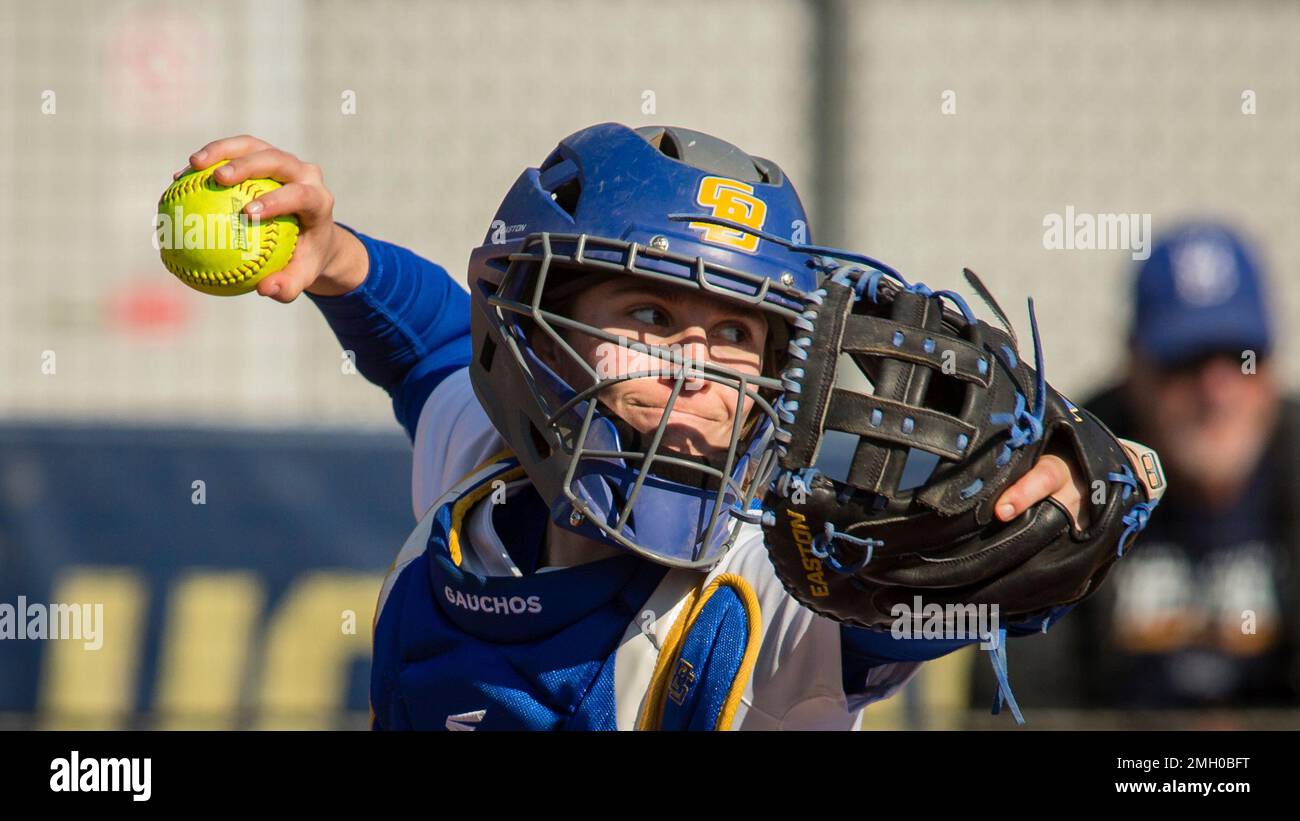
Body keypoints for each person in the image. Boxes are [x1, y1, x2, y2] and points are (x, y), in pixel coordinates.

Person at [176, 123, 1111, 730]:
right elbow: (427, 344)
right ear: (540, 331)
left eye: (738, 331)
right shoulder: (492, 464)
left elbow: (980, 588)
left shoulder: (786, 584)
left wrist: (1082, 498)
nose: (697, 362)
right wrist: (337, 257)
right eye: (653, 318)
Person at [1070, 221, 1300, 710]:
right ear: (1134, 368)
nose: (1216, 392)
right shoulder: (1072, 473)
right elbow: (1015, 709)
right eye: (1186, 362)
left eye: (1241, 358)